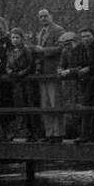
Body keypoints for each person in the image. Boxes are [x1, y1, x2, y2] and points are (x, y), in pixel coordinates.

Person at [34, 8, 67, 142]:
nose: (43, 19)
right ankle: (49, 133)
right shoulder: (41, 32)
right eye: (41, 17)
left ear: (51, 16)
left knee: (55, 102)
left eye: (45, 16)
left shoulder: (58, 30)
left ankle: (58, 133)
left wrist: (44, 50)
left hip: (53, 71)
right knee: (46, 104)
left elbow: (62, 47)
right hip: (43, 72)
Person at [5, 27, 40, 140]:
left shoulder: (26, 50)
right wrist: (10, 72)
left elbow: (31, 65)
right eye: (13, 37)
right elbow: (7, 66)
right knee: (20, 106)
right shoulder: (10, 52)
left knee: (30, 105)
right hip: (16, 82)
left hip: (27, 81)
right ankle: (24, 131)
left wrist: (21, 73)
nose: (15, 40)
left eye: (17, 37)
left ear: (21, 38)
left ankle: (35, 132)